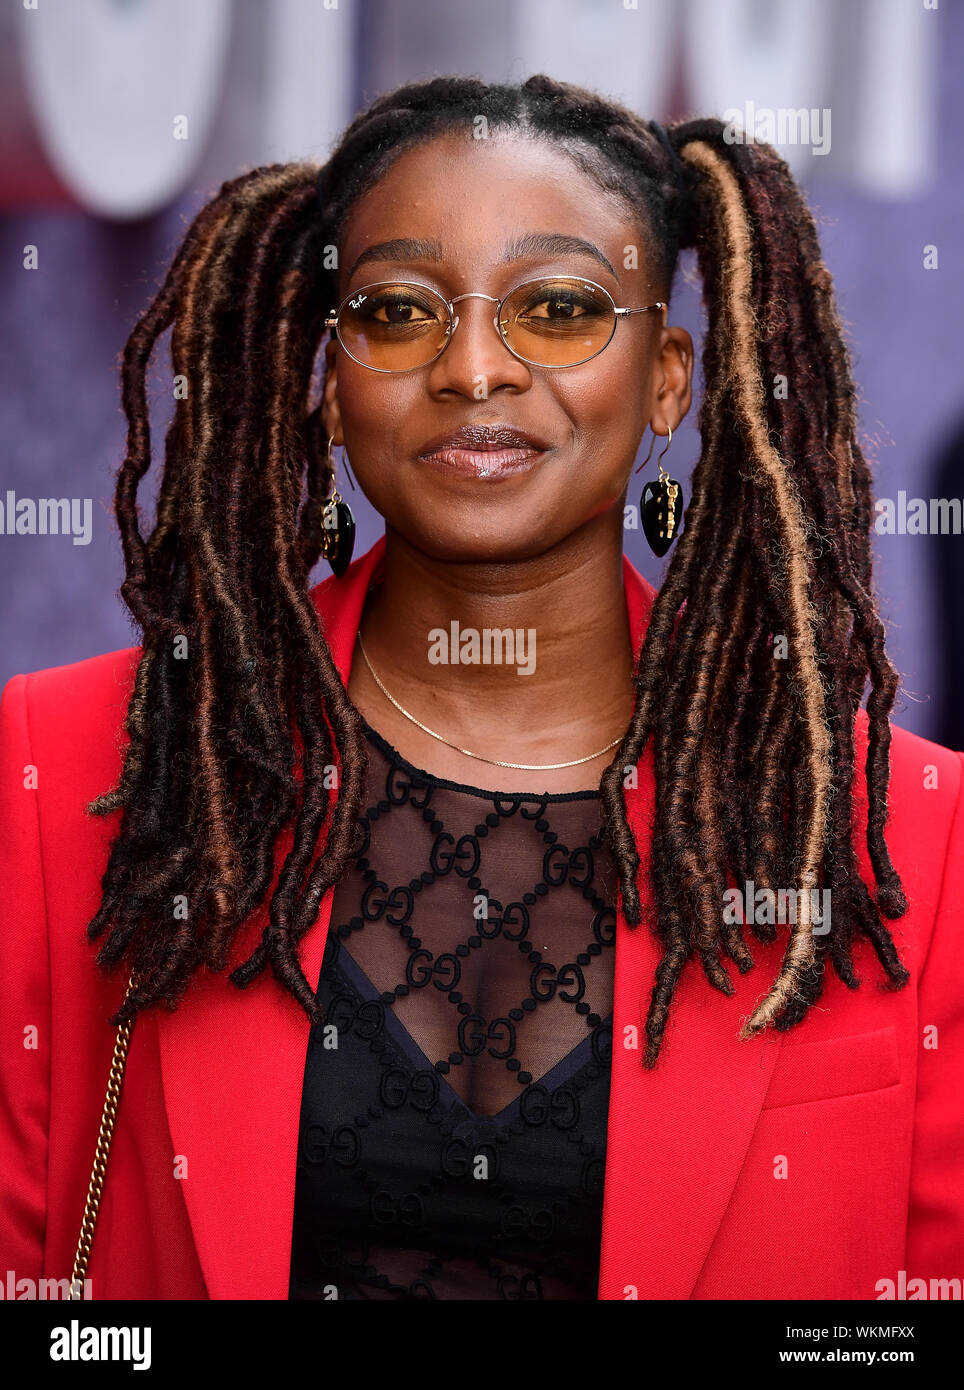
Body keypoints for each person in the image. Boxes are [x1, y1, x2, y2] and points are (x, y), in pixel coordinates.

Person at [1, 75, 962, 1302]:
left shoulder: (901, 843)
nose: (470, 368)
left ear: (669, 377)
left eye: (557, 308)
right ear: (330, 379)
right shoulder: (79, 762)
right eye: (397, 313)